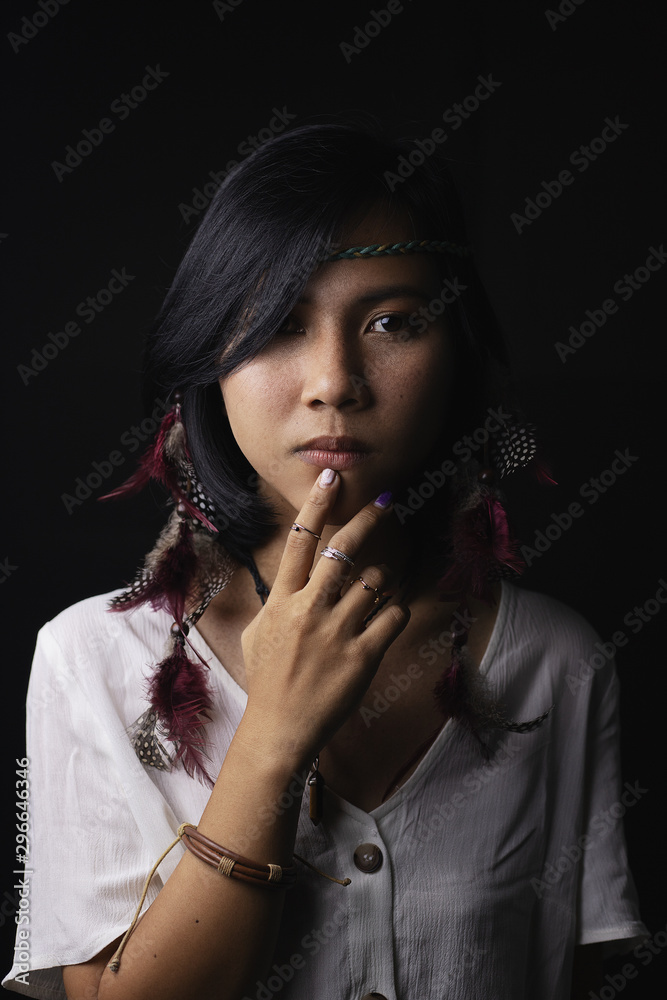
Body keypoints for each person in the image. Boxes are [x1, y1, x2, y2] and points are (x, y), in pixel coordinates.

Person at [4, 122, 646, 1000]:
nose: (334, 380)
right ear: (208, 364)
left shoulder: (556, 665)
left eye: (393, 321)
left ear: (455, 354)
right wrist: (272, 735)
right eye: (276, 325)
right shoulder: (94, 662)